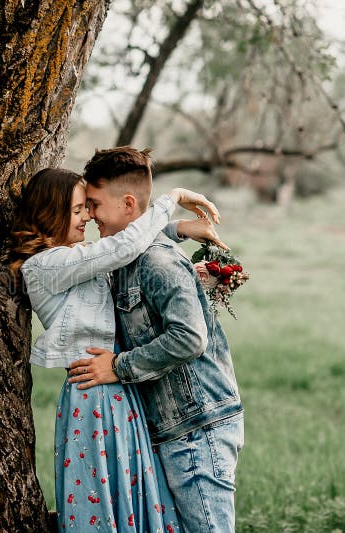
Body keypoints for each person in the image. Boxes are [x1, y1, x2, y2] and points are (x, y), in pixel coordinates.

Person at [8, 167, 226, 532]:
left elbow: (122, 252)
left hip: (117, 385)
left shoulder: (76, 257)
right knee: (103, 503)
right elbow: (120, 248)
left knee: (134, 497)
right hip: (94, 394)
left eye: (88, 207)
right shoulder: (45, 265)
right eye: (79, 209)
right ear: (51, 212)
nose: (88, 217)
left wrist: (178, 231)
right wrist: (170, 201)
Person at [68, 147, 244, 533]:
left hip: (196, 427)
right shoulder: (128, 256)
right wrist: (177, 227)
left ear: (127, 203)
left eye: (95, 204)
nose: (91, 215)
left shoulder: (157, 262)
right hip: (173, 426)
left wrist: (117, 367)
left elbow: (189, 338)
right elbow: (130, 242)